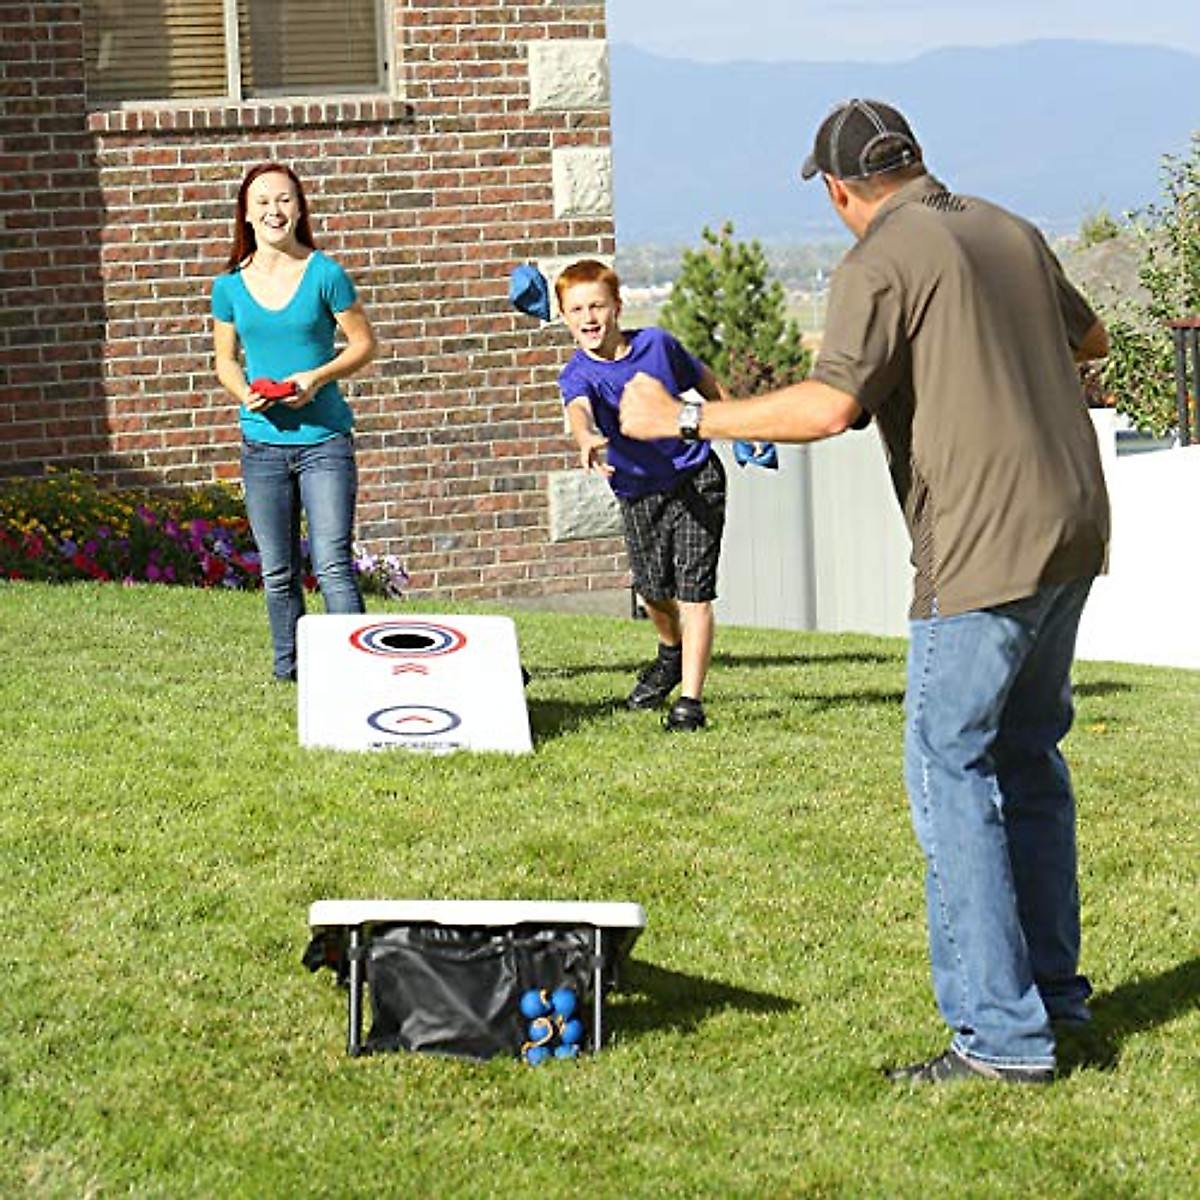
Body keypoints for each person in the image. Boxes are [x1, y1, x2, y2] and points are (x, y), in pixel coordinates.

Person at [620, 100, 1111, 1082]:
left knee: (949, 771)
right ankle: (1055, 999)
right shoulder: (1007, 227)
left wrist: (682, 412)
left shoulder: (880, 255)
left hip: (980, 545)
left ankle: (1002, 1040)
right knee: (1028, 759)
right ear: (917, 162)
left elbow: (831, 404)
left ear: (840, 191)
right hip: (1074, 524)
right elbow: (1090, 341)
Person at [212, 162, 378, 681]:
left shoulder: (325, 273)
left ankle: (357, 674)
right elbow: (225, 361)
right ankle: (291, 673)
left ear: (300, 208)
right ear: (245, 214)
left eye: (283, 200)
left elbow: (364, 345)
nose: (273, 211)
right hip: (261, 445)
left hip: (324, 442)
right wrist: (244, 394)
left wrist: (318, 378)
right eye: (261, 202)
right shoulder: (229, 286)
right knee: (278, 571)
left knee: (331, 564)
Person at [555, 259, 731, 731]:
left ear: (617, 306)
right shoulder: (578, 373)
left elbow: (703, 379)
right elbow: (578, 410)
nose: (589, 318)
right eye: (577, 310)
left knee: (695, 591)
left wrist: (738, 420)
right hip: (638, 492)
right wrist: (586, 439)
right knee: (653, 591)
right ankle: (669, 653)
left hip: (696, 477)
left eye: (597, 306)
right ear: (565, 317)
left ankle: (689, 704)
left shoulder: (657, 345)